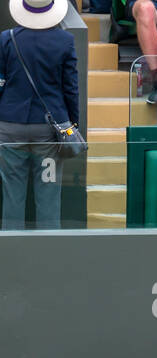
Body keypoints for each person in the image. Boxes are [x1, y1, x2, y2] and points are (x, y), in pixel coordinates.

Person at [0, 0, 79, 230]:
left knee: (12, 194)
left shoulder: (6, 38)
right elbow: (71, 89)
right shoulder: (65, 41)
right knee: (48, 193)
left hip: (9, 125)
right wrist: (72, 124)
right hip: (49, 128)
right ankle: (49, 252)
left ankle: (11, 252)